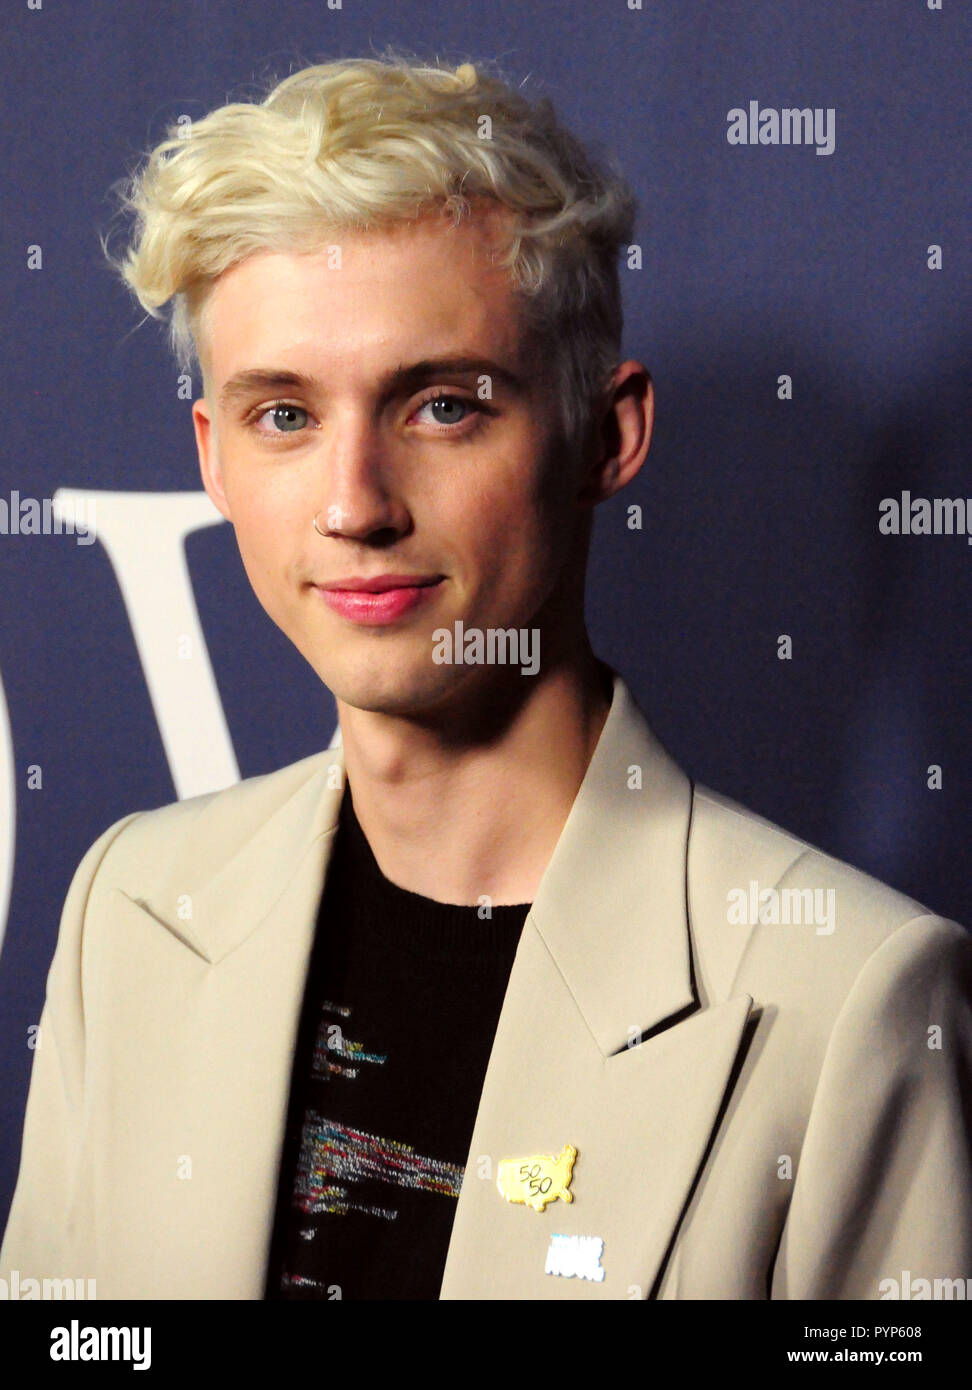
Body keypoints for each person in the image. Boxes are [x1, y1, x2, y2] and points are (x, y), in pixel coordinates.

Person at [2, 52, 969, 1302]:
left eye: (444, 405)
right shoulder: (127, 910)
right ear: (215, 460)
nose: (353, 505)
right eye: (284, 416)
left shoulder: (850, 998)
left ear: (605, 435)